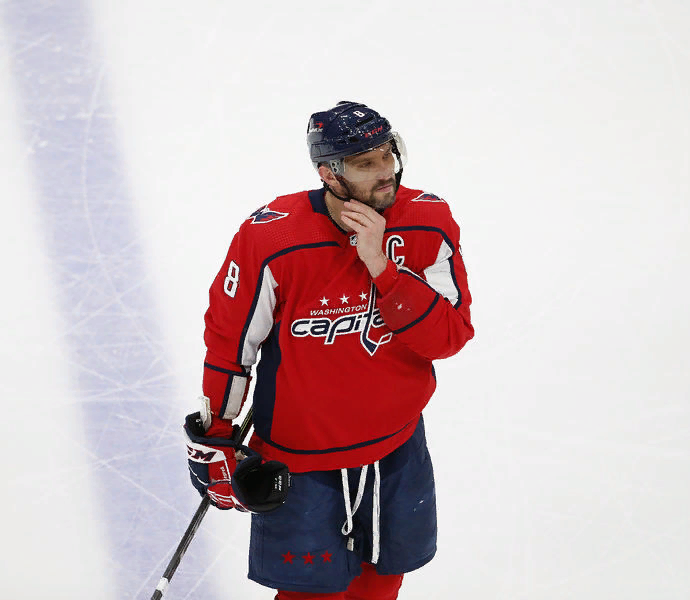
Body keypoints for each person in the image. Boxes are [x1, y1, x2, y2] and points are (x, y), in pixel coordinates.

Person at [183, 101, 475, 600]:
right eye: (365, 163)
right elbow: (231, 344)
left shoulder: (427, 221)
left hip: (396, 447)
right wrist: (217, 435)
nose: (386, 172)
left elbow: (448, 337)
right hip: (300, 461)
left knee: (382, 583)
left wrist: (382, 268)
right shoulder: (273, 239)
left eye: (388, 155)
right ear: (328, 173)